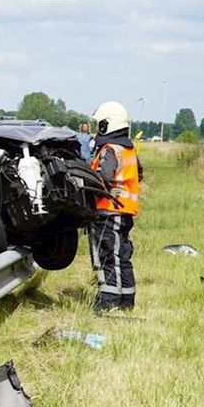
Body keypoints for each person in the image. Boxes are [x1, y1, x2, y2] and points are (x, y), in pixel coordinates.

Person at [88, 100, 143, 312]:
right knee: (122, 256)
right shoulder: (128, 149)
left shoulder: (110, 149)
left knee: (108, 255)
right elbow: (138, 174)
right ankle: (126, 300)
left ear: (107, 125)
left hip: (109, 210)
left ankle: (109, 302)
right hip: (124, 211)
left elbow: (103, 177)